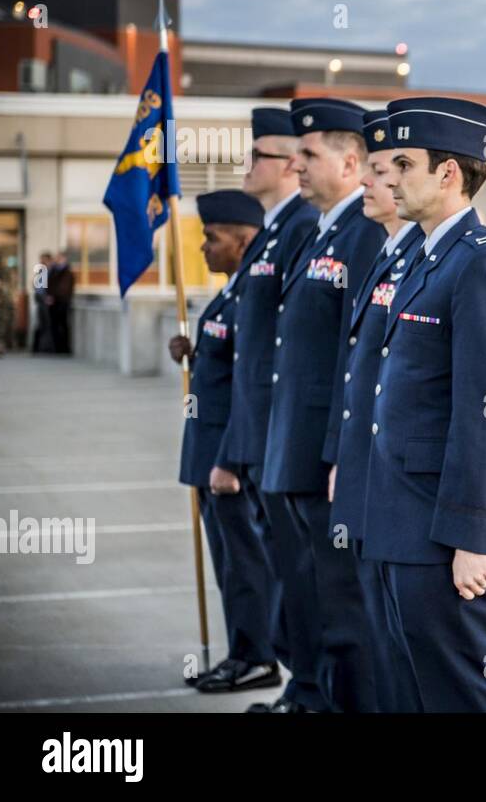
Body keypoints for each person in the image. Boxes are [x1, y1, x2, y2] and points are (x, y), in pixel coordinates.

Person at [361, 96, 486, 712]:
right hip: (399, 520)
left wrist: (474, 539)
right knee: (409, 693)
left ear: (448, 173)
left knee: (463, 697)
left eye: (404, 164)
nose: (389, 178)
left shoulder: (481, 267)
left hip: (441, 535)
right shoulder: (425, 258)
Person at [256, 98, 386, 713]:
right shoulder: (324, 230)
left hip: (321, 455)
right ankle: (310, 696)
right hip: (296, 448)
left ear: (352, 161)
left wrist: (339, 448)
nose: (296, 164)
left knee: (341, 605)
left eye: (309, 154)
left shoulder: (361, 234)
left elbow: (353, 355)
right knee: (308, 590)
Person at [212, 108, 319, 706]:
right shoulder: (280, 230)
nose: (248, 166)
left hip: (277, 437)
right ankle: (300, 687)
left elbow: (289, 351)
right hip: (260, 435)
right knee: (287, 579)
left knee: (295, 581)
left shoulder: (302, 226)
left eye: (260, 157)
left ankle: (305, 688)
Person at [325, 110, 425, 712]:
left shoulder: (431, 260)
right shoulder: (390, 256)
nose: (367, 181)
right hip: (369, 478)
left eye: (387, 170)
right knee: (382, 645)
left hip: (406, 495)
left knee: (417, 665)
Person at [169, 190, 281, 695]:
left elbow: (253, 381)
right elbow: (223, 360)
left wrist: (231, 461)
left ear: (242, 239)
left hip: (226, 460)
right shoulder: (232, 290)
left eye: (211, 238)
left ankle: (255, 657)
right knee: (230, 563)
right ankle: (243, 650)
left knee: (245, 566)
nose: (203, 247)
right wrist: (191, 351)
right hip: (209, 450)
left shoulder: (254, 294)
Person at [47, 252, 74, 354]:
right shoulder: (53, 271)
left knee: (63, 325)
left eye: (59, 258)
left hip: (62, 302)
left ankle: (64, 348)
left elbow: (64, 288)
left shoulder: (67, 272)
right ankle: (56, 347)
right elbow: (48, 285)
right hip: (54, 302)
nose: (57, 260)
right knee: (54, 325)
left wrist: (54, 296)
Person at [32, 251, 53, 353]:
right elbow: (38, 288)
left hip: (43, 300)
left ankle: (43, 346)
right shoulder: (42, 271)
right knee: (43, 324)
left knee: (45, 324)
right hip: (42, 301)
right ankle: (40, 347)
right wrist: (44, 298)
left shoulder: (49, 271)